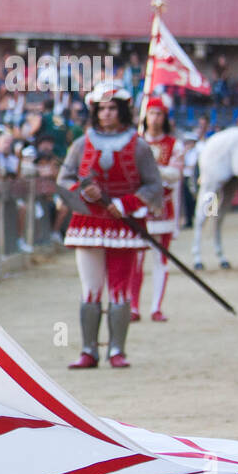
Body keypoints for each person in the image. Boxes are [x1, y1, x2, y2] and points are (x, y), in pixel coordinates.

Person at [57, 82, 163, 369]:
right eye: (101, 108)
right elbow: (64, 178)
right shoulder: (81, 143)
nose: (106, 113)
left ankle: (117, 350)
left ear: (122, 110)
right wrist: (83, 190)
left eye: (112, 107)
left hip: (125, 226)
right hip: (88, 222)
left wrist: (127, 203)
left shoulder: (139, 146)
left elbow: (154, 184)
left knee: (120, 290)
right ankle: (89, 350)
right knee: (90, 288)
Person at [130, 96, 184, 323]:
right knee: (137, 259)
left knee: (161, 259)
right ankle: (133, 306)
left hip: (163, 209)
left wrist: (151, 170)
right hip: (139, 208)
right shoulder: (135, 142)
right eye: (151, 113)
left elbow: (174, 174)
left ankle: (156, 307)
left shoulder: (174, 145)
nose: (155, 118)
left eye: (159, 113)